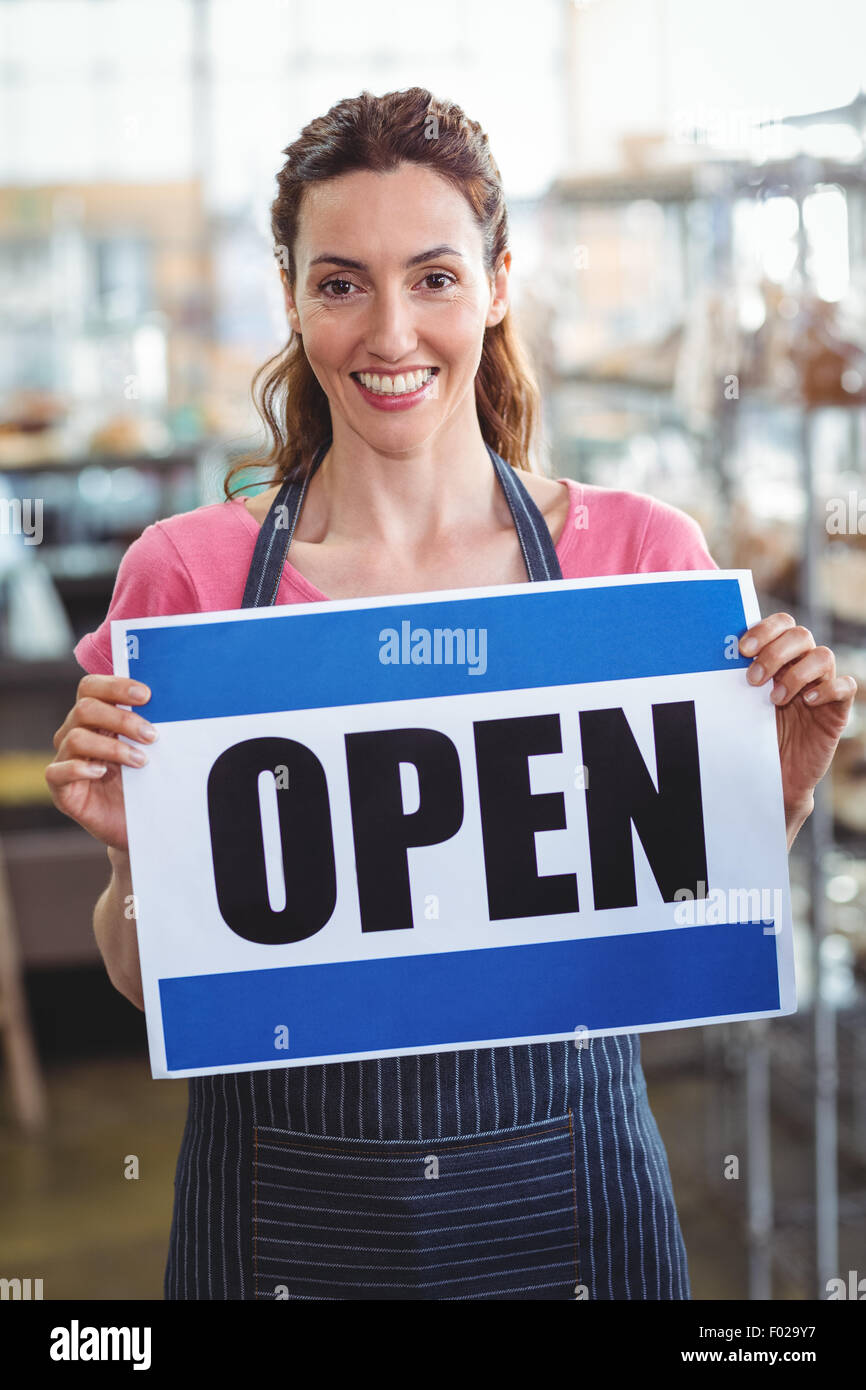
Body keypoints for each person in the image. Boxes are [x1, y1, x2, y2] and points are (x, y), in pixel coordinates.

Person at [46, 88, 856, 1302]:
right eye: (340, 282)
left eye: (432, 277)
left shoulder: (639, 559)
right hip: (279, 1210)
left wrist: (771, 796)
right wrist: (134, 861)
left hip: (575, 1200)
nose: (389, 333)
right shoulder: (187, 580)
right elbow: (137, 971)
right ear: (291, 294)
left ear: (496, 284)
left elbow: (686, 936)